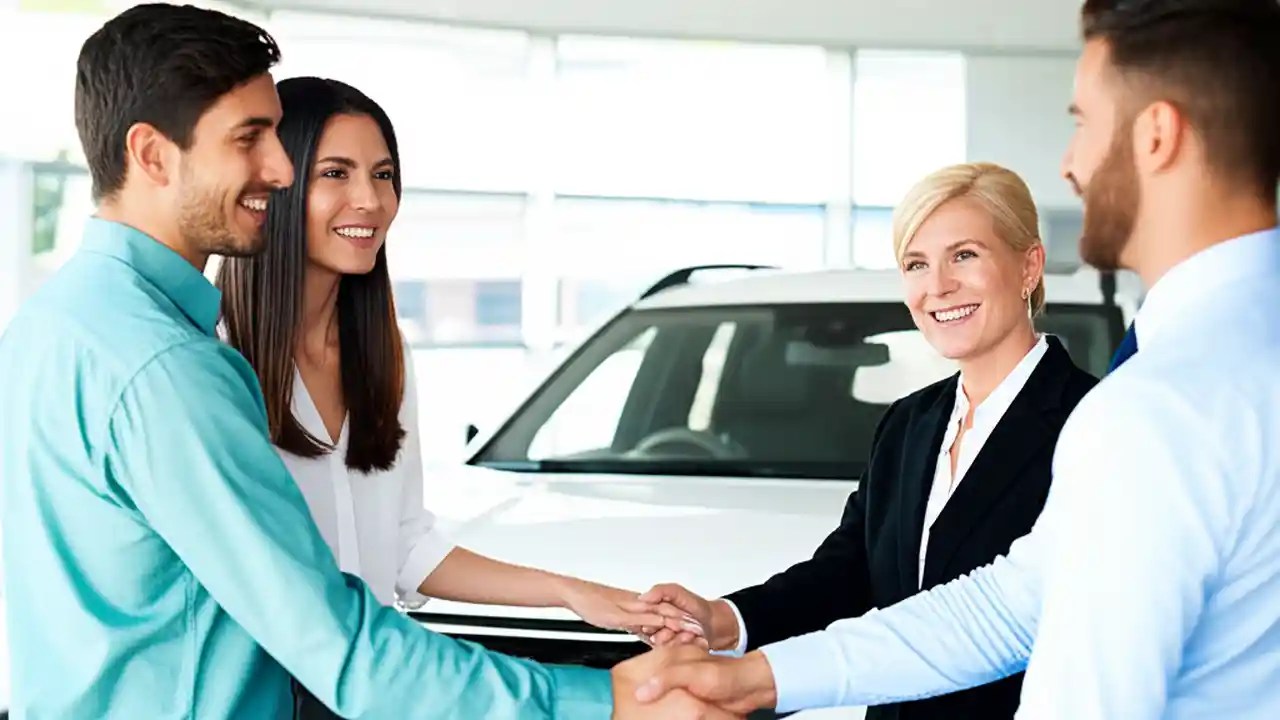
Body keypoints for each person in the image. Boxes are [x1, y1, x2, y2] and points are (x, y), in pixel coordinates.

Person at [0, 5, 720, 718]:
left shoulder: (57, 323)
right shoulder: (175, 368)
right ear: (152, 155)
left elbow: (392, 555)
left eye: (380, 174)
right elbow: (337, 643)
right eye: (252, 139)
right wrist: (604, 698)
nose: (279, 170)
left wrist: (573, 596)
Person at [625, 0, 1280, 717]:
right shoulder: (1204, 366)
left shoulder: (1149, 407)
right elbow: (1010, 605)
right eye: (916, 263)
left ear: (1156, 134)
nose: (1069, 164)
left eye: (1082, 122)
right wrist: (750, 670)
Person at [214, 76, 698, 717]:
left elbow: (406, 544)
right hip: (258, 696)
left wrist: (572, 594)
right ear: (277, 181)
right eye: (336, 172)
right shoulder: (213, 360)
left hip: (377, 691)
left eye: (384, 176)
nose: (370, 200)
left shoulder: (383, 355)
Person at [636, 161, 1098, 720]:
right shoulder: (910, 423)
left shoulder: (1093, 422)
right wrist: (726, 618)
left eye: (965, 255)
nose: (938, 286)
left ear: (1029, 266)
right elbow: (850, 570)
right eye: (916, 264)